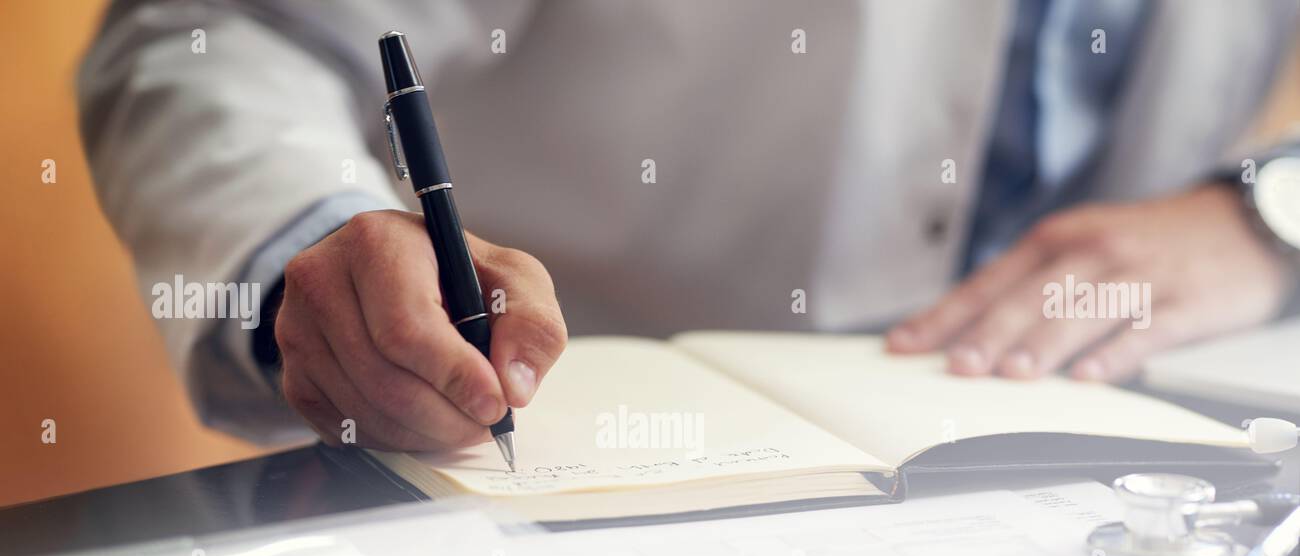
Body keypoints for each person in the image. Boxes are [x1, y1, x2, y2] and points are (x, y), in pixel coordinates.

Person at [79, 0, 1300, 452]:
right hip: (570, 473)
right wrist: (322, 236)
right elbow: (216, 38)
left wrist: (1268, 215)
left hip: (1122, 489)